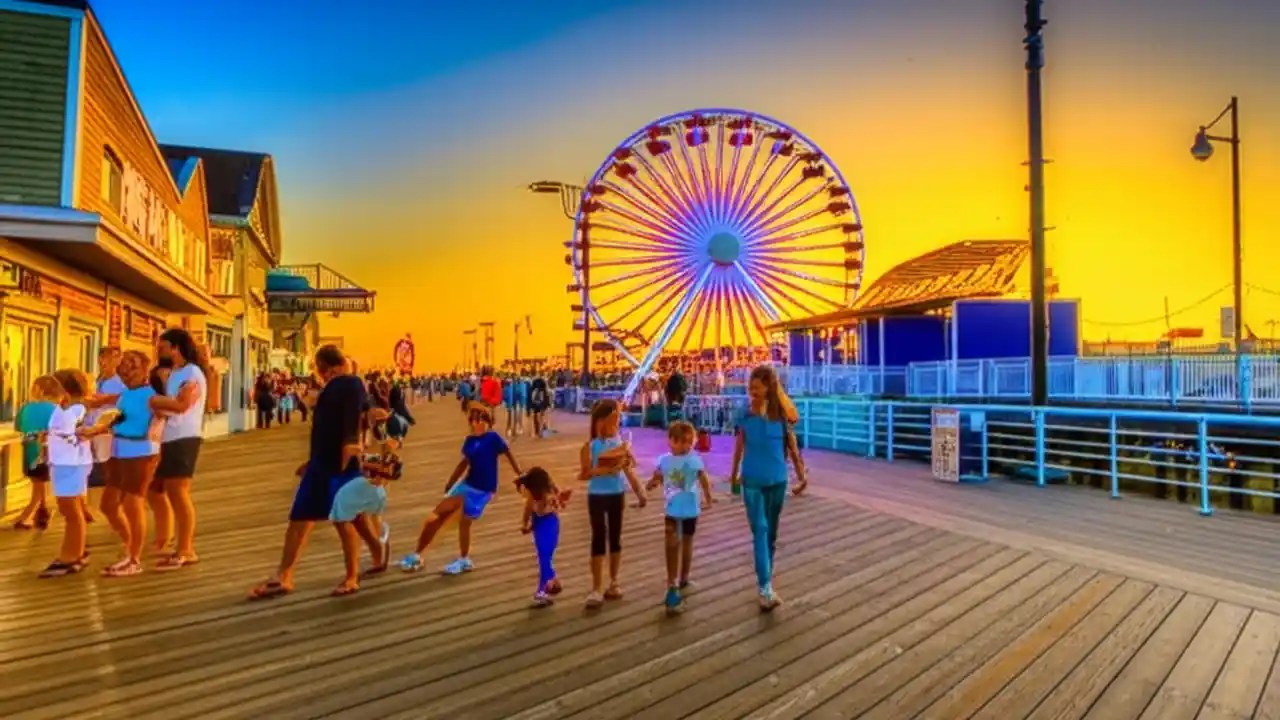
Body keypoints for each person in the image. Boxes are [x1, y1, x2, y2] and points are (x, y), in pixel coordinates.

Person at [250, 345, 385, 599]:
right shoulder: (337, 387)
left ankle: (352, 577)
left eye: (319, 367)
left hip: (340, 464)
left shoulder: (349, 383)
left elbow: (349, 422)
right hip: (321, 463)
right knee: (305, 517)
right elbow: (329, 427)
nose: (318, 373)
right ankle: (284, 575)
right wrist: (312, 462)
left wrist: (347, 456)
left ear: (328, 365)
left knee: (344, 519)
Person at [400, 404, 523, 575]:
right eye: (472, 420)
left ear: (487, 420)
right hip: (467, 484)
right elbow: (464, 463)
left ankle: (427, 556)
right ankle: (427, 555)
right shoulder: (470, 441)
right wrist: (451, 482)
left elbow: (508, 453)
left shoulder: (493, 438)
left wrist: (520, 475)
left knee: (448, 519)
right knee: (442, 519)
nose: (475, 423)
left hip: (483, 490)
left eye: (479, 419)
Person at [730, 365, 807, 612]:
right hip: (752, 481)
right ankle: (764, 587)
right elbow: (739, 446)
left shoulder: (781, 415)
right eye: (750, 387)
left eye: (756, 387)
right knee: (760, 531)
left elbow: (792, 444)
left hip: (778, 480)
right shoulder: (744, 414)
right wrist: (733, 476)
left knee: (771, 535)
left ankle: (767, 582)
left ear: (768, 387)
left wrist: (801, 474)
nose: (751, 391)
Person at [93, 351, 162, 577]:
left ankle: (134, 559)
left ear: (144, 370)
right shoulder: (124, 395)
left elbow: (167, 412)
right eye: (123, 366)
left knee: (133, 504)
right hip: (118, 452)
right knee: (109, 504)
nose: (126, 371)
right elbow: (115, 419)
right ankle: (129, 544)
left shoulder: (150, 395)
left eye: (132, 367)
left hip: (141, 453)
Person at [148, 328, 211, 570]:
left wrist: (155, 402)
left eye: (163, 347)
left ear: (176, 347)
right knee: (156, 489)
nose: (159, 351)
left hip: (184, 436)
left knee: (178, 492)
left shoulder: (191, 372)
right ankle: (165, 539)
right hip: (169, 437)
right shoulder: (174, 373)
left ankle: (186, 549)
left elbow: (183, 404)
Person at [579, 398, 646, 609]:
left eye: (618, 421)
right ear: (599, 422)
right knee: (598, 537)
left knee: (615, 537)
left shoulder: (620, 443)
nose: (616, 425)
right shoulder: (590, 446)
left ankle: (614, 581)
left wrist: (640, 493)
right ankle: (596, 586)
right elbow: (585, 473)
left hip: (617, 493)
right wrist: (604, 469)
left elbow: (629, 469)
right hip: (597, 495)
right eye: (612, 421)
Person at [647, 420, 713, 614]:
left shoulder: (695, 459)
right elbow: (658, 475)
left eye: (688, 442)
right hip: (672, 509)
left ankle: (684, 575)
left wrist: (709, 497)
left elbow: (703, 478)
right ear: (671, 441)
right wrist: (652, 483)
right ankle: (672, 580)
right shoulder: (665, 460)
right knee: (671, 542)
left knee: (687, 542)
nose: (684, 446)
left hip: (690, 509)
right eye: (680, 441)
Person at [39, 369, 95, 577]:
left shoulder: (76, 409)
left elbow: (74, 434)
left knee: (71, 510)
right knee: (73, 508)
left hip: (70, 463)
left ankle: (71, 556)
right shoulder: (68, 407)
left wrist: (63, 437)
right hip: (65, 461)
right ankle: (77, 551)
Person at [11, 376, 62, 530]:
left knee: (38, 485)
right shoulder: (55, 410)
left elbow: (18, 428)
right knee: (39, 490)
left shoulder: (24, 408)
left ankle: (42, 513)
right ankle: (24, 518)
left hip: (28, 454)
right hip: (45, 454)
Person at [516, 467, 571, 607]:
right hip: (538, 522)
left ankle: (548, 584)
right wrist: (525, 524)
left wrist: (559, 500)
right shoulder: (531, 492)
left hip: (550, 521)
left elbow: (560, 503)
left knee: (546, 554)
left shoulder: (549, 489)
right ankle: (544, 589)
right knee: (543, 555)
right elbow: (528, 509)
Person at [85, 347, 125, 525]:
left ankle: (112, 505)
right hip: (92, 427)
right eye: (101, 359)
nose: (103, 363)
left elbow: (119, 405)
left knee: (105, 463)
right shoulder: (98, 380)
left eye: (107, 359)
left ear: (117, 360)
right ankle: (94, 507)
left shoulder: (120, 383)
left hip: (106, 428)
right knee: (94, 465)